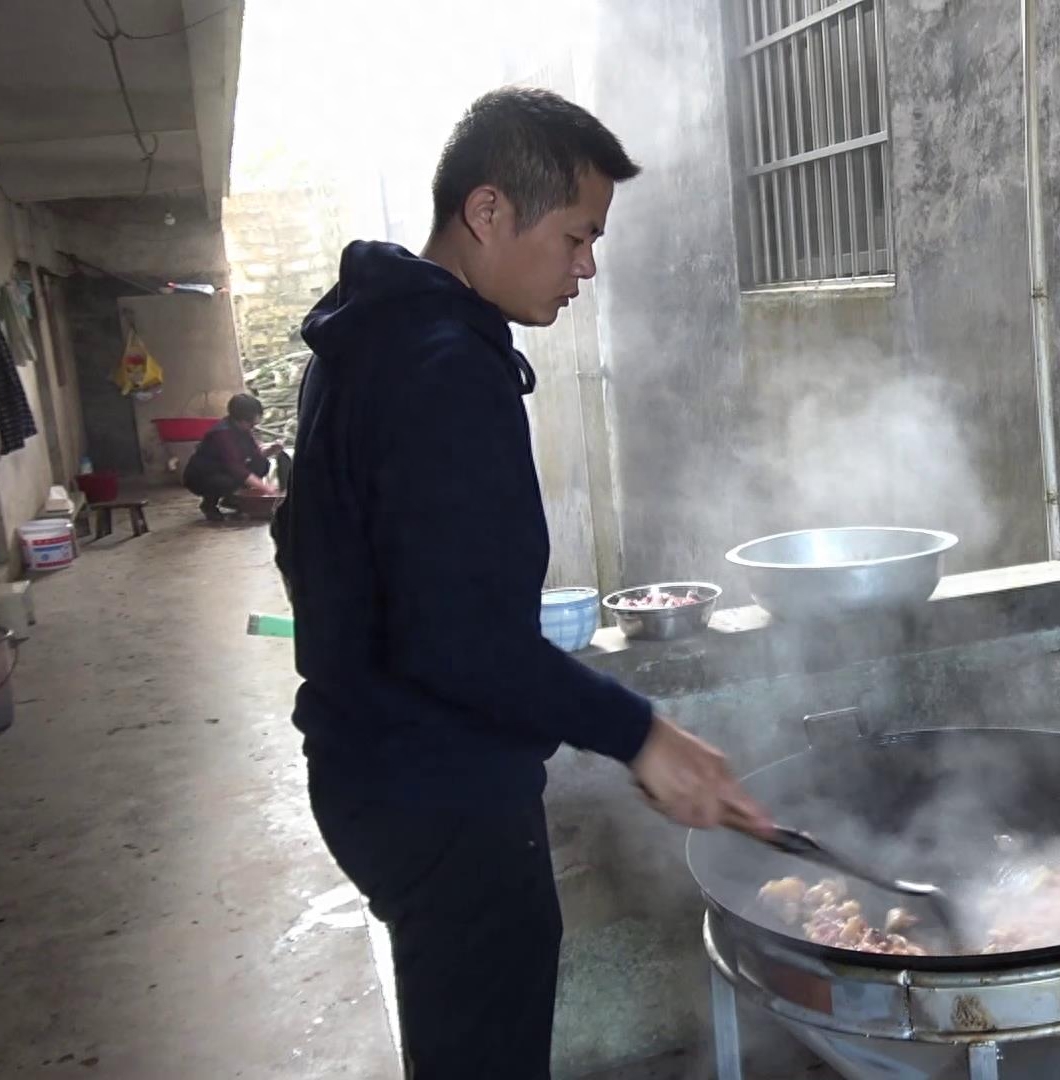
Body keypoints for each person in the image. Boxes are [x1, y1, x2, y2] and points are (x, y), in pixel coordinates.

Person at [269, 87, 774, 1079]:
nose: (589, 265)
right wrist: (644, 732)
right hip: (439, 792)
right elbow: (458, 640)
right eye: (578, 235)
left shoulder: (364, 339)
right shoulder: (441, 366)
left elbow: (308, 547)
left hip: (370, 768)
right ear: (489, 211)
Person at [182, 393, 280, 521]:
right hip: (202, 477)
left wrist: (272, 450)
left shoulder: (244, 430)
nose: (252, 427)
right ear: (240, 419)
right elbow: (235, 468)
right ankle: (209, 505)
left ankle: (232, 498)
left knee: (262, 464)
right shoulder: (222, 433)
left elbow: (256, 454)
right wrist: (266, 488)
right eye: (250, 423)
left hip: (224, 470)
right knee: (228, 481)